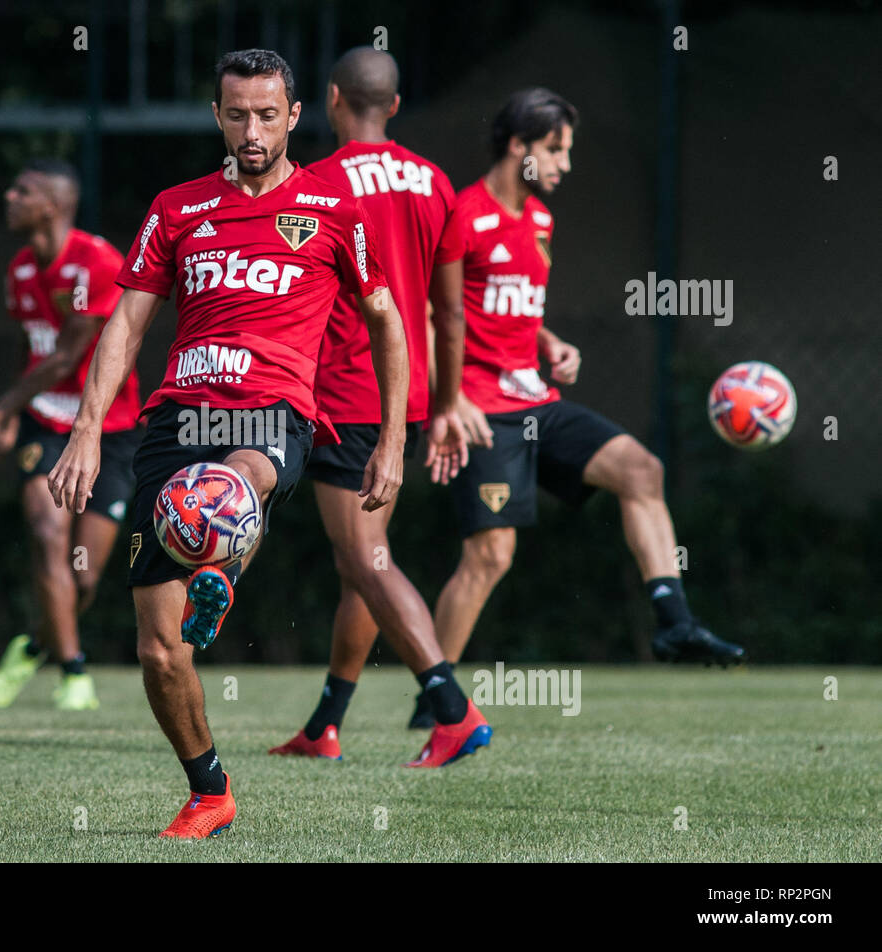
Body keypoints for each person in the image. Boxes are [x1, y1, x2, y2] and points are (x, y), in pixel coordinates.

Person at [50, 49, 451, 838]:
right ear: (216, 115)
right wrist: (88, 430)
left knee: (236, 483)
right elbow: (127, 323)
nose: (252, 130)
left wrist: (395, 439)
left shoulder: (332, 208)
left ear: (297, 114)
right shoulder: (176, 208)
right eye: (237, 114)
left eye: (267, 114)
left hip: (274, 413)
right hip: (173, 420)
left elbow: (389, 322)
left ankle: (217, 562)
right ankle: (209, 789)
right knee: (161, 652)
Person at [409, 88, 744, 726]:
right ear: (518, 146)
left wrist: (550, 342)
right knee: (490, 557)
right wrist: (445, 404)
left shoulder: (539, 220)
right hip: (484, 409)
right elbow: (430, 314)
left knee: (642, 470)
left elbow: (509, 308)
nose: (565, 164)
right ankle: (436, 705)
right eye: (555, 149)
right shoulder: (463, 214)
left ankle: (674, 622)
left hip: (537, 398)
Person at [268, 47, 486, 765]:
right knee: (358, 563)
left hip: (341, 394)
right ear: (393, 106)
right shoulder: (436, 183)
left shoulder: (315, 184)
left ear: (331, 100)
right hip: (409, 397)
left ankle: (451, 710)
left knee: (365, 559)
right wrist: (447, 404)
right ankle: (325, 725)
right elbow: (451, 315)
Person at [0, 160, 143, 713]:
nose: (10, 196)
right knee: (46, 535)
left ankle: (34, 645)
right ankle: (74, 671)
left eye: (24, 190)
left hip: (108, 430)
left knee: (83, 578)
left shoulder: (96, 260)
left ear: (55, 204)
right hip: (44, 423)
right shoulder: (19, 268)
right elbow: (30, 350)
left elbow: (67, 355)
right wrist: (16, 417)